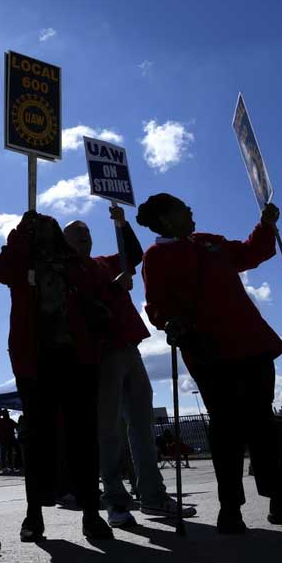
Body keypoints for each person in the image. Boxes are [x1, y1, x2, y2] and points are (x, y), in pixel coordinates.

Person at [137, 194, 282, 534]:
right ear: (166, 219)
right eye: (183, 208)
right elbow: (156, 303)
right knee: (226, 429)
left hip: (251, 343)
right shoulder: (156, 256)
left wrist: (266, 225)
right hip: (209, 350)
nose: (191, 210)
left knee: (262, 424)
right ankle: (230, 508)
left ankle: (280, 502)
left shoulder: (209, 241)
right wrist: (168, 322)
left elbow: (251, 253)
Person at [63, 208, 196, 529]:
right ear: (64, 241)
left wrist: (121, 224)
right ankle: (115, 500)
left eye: (87, 231)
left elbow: (133, 254)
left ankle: (152, 494)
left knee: (141, 424)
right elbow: (76, 305)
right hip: (101, 354)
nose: (85, 236)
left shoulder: (105, 263)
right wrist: (113, 288)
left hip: (128, 347)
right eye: (77, 232)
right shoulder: (67, 270)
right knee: (109, 431)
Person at [0, 211, 114, 543]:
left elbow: (99, 282)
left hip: (77, 359)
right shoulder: (20, 263)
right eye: (37, 228)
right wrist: (19, 231)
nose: (43, 232)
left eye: (48, 227)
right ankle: (34, 513)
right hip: (35, 362)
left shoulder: (74, 264)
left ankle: (91, 512)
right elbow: (0, 271)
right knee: (37, 439)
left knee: (83, 438)